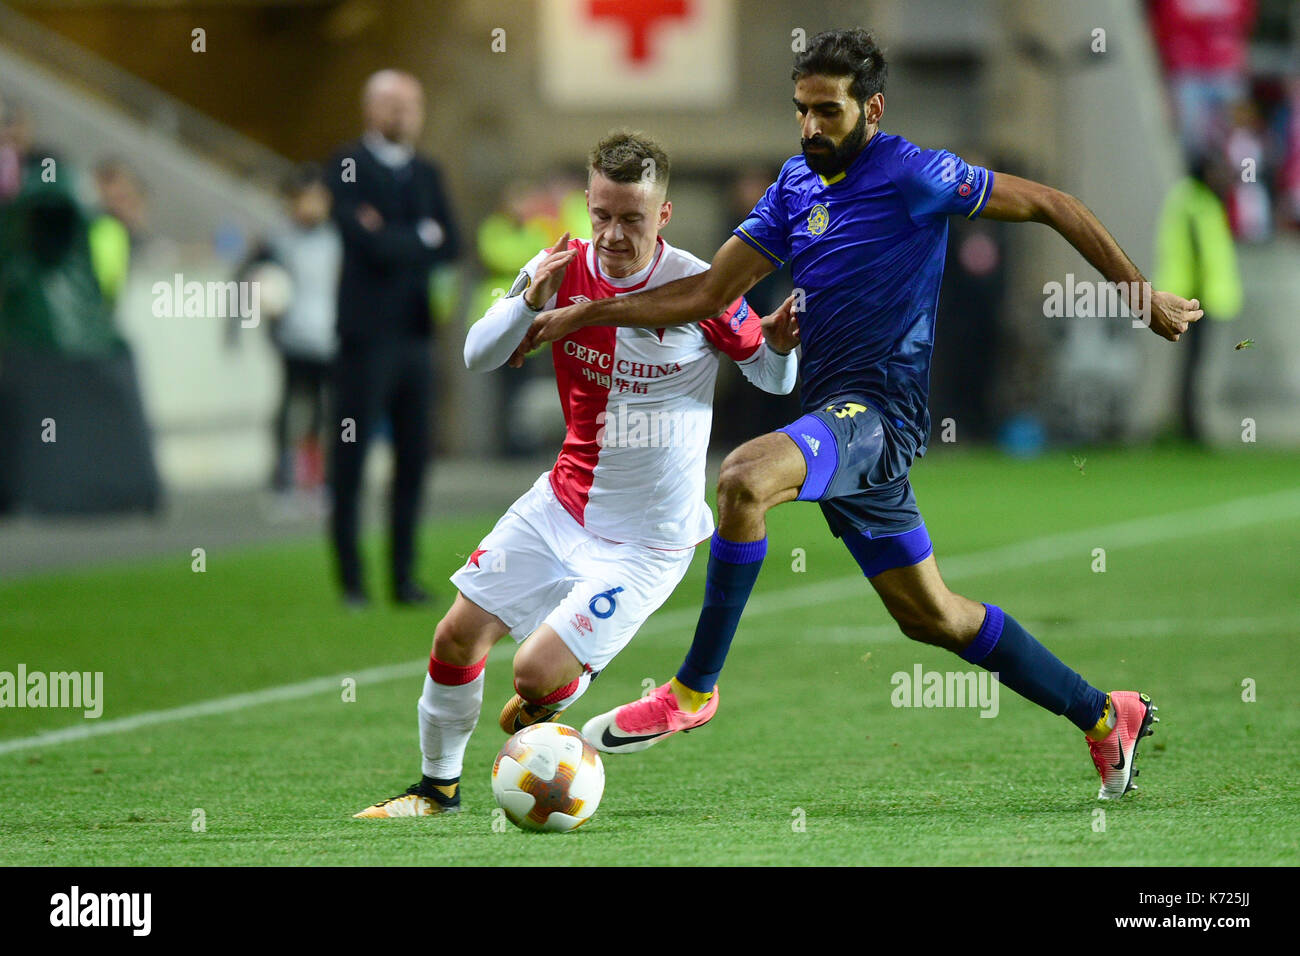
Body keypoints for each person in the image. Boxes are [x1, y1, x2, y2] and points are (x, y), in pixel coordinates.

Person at [518, 30, 1202, 801]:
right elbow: (711, 295)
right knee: (933, 616)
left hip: (880, 416)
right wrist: (589, 312)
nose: (811, 127)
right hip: (837, 425)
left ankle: (692, 692)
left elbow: (1053, 203)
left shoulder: (915, 173)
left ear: (871, 108)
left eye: (829, 111)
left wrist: (1140, 295)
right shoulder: (792, 186)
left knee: (743, 478)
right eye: (802, 110)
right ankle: (1107, 714)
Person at [353, 130, 797, 817]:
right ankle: (436, 790)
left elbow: (769, 376)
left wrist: (782, 345)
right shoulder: (562, 266)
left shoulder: (698, 285)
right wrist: (530, 299)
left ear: (665, 215)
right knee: (455, 635)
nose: (615, 235)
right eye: (603, 215)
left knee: (534, 673)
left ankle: (546, 699)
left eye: (633, 218)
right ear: (586, 206)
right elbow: (477, 355)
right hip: (561, 504)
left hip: (648, 542)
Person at [326, 69, 461, 608]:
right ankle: (351, 581)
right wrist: (416, 238)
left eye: (413, 103)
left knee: (412, 459)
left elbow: (449, 243)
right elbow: (364, 242)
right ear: (372, 108)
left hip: (414, 335)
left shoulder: (428, 171)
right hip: (364, 337)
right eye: (395, 104)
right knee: (352, 458)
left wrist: (393, 236)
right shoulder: (347, 163)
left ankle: (403, 577)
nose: (405, 114)